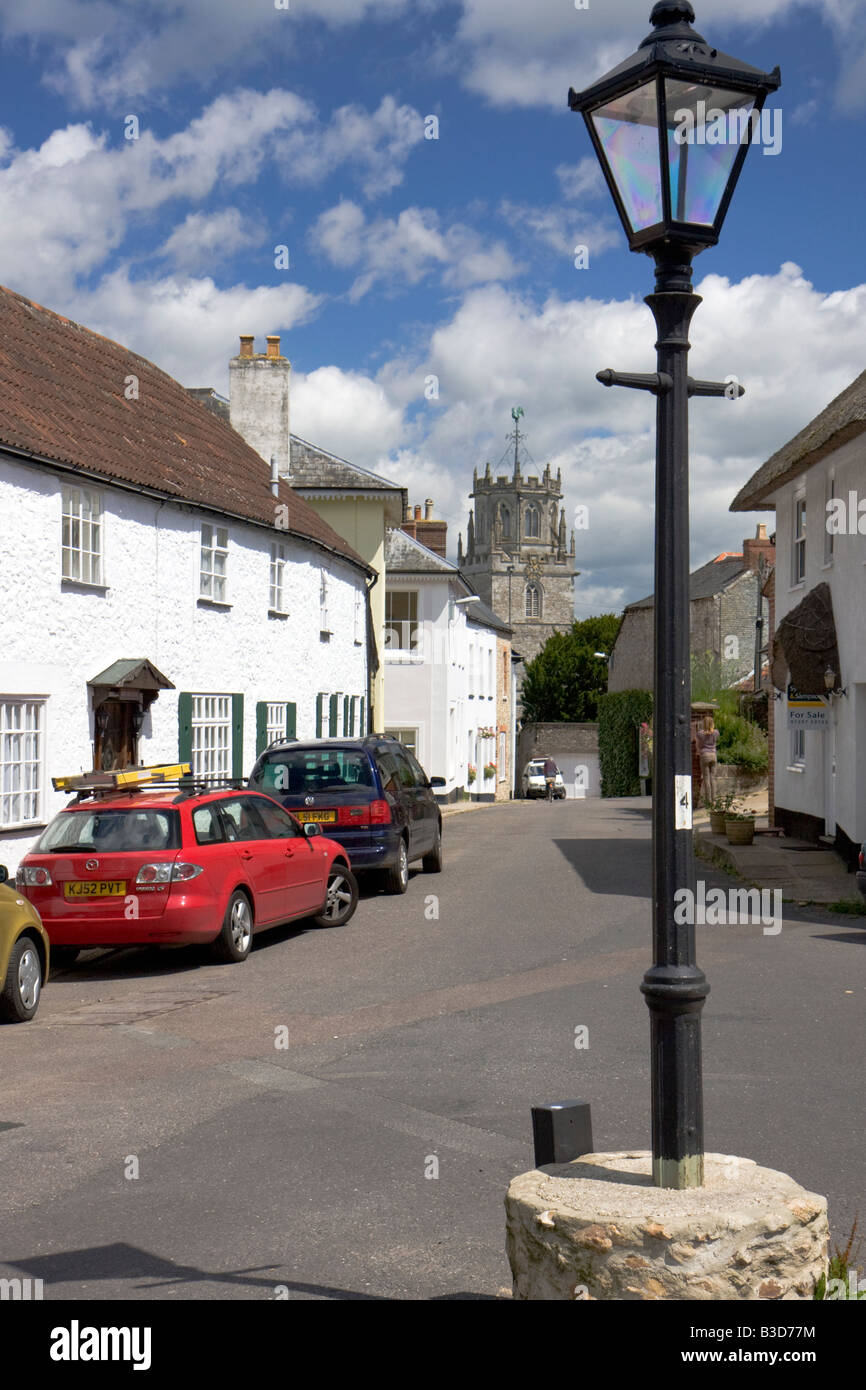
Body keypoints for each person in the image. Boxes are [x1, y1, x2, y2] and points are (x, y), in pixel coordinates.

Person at [695, 716, 720, 804]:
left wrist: (698, 752)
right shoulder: (716, 732)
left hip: (704, 755)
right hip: (713, 755)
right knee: (713, 778)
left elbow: (697, 745)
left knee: (706, 778)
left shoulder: (700, 733)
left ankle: (708, 800)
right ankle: (714, 800)